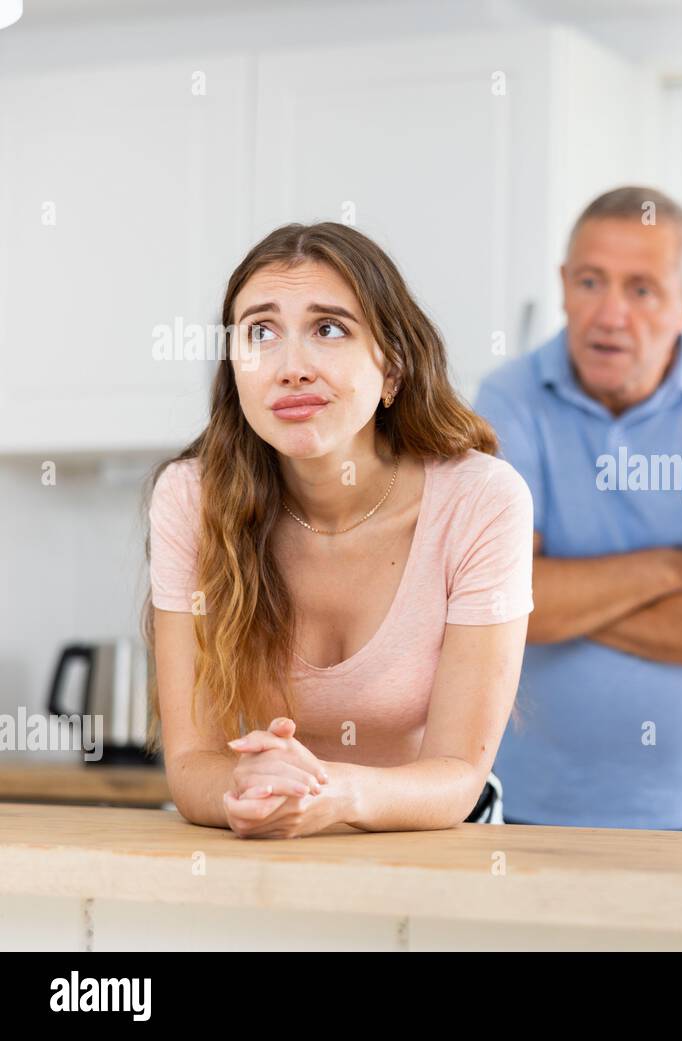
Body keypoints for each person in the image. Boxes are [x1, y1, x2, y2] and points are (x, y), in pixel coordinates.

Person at [143, 222, 534, 839]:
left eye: (328, 329)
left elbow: (458, 774)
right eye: (261, 333)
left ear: (394, 370)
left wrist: (333, 791)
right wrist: (243, 791)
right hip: (272, 839)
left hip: (435, 842)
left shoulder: (481, 500)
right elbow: (194, 765)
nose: (291, 367)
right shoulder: (191, 500)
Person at [474, 186, 682, 833]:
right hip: (533, 806)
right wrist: (674, 566)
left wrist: (562, 595)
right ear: (562, 285)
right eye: (590, 281)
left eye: (641, 290)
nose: (610, 313)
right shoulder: (508, 397)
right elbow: (507, 600)